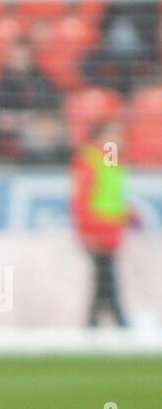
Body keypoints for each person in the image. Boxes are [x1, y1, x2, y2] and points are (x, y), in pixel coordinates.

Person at [74, 119, 137, 328]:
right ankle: (117, 321)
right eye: (113, 134)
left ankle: (95, 322)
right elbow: (82, 199)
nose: (118, 139)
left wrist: (129, 214)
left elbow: (113, 193)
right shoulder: (90, 159)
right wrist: (86, 231)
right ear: (99, 136)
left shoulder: (110, 159)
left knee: (104, 277)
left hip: (111, 228)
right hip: (97, 228)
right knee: (106, 277)